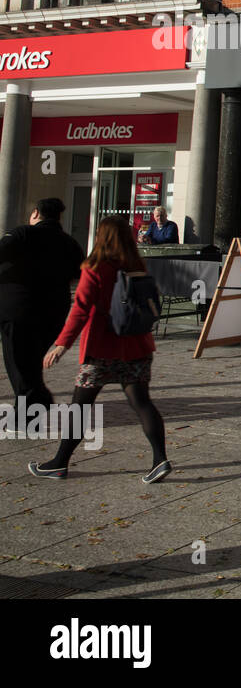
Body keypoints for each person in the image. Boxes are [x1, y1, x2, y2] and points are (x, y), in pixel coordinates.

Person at [32, 216, 170, 484]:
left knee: (80, 408)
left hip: (101, 351)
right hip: (137, 347)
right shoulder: (137, 266)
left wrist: (61, 344)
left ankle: (59, 463)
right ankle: (160, 459)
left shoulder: (95, 268)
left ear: (101, 236)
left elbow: (80, 310)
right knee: (142, 403)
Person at [0, 198, 85, 418]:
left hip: (19, 310)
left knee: (19, 363)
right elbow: (80, 274)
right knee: (30, 361)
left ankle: (32, 410)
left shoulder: (23, 234)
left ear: (36, 213)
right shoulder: (69, 242)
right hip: (54, 313)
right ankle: (35, 404)